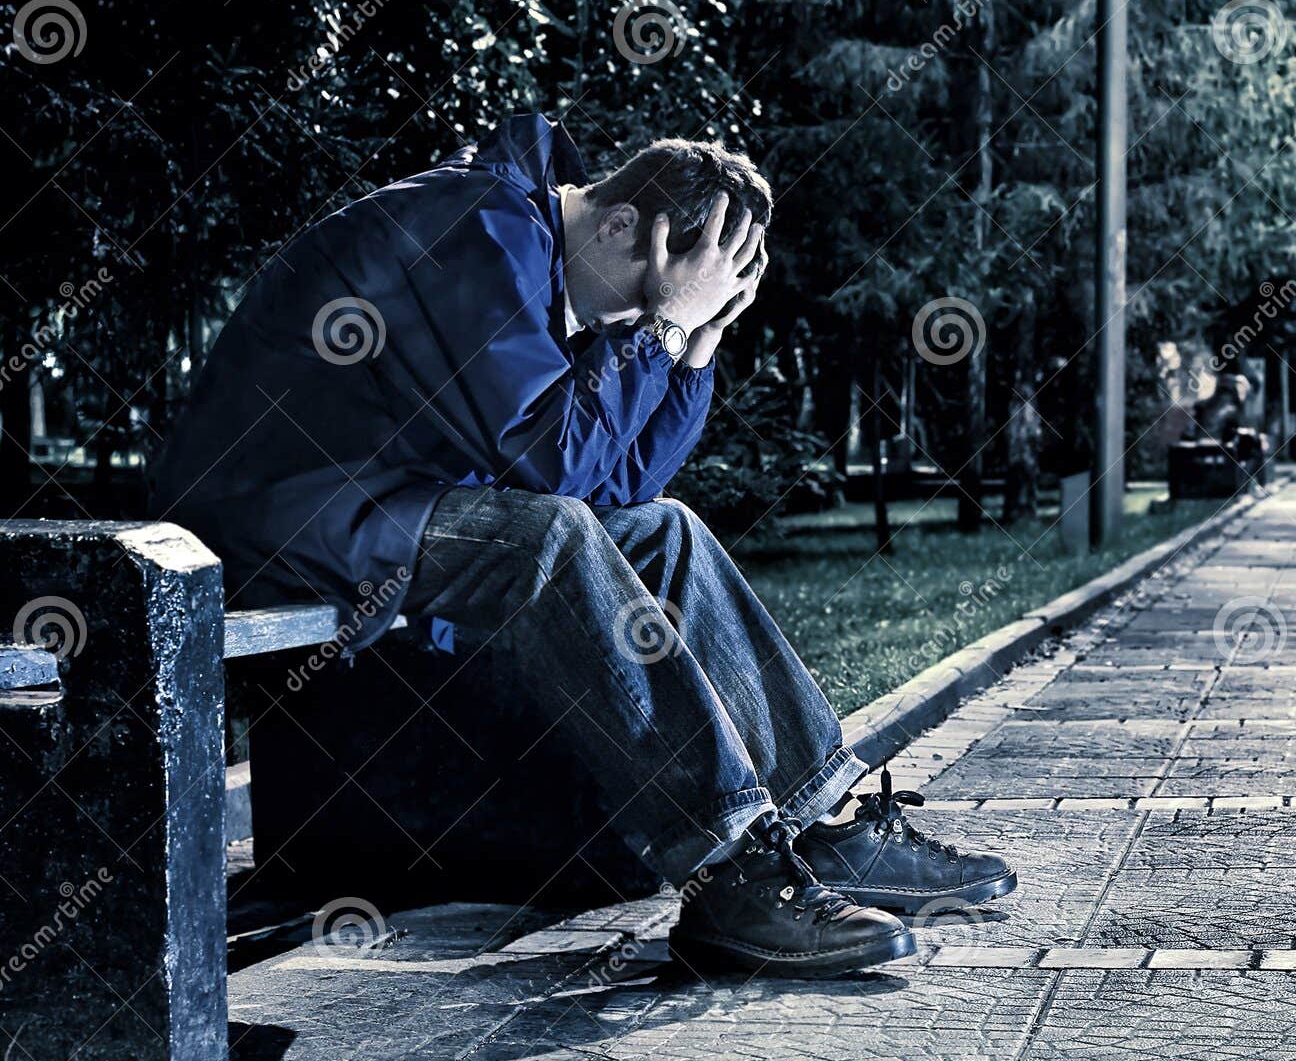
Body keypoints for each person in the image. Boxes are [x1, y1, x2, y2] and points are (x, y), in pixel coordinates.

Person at [153, 111, 1015, 979]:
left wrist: (694, 346)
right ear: (615, 224)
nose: (640, 320)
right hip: (279, 524)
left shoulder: (538, 253)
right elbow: (556, 474)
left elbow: (619, 489)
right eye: (644, 294)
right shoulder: (477, 232)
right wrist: (663, 329)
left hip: (384, 508)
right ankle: (729, 871)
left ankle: (818, 822)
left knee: (666, 532)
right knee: (549, 541)